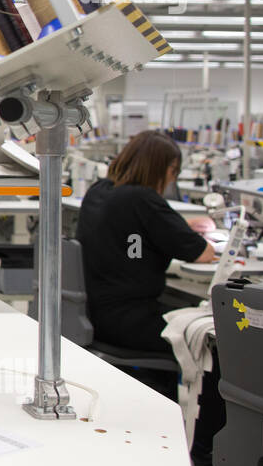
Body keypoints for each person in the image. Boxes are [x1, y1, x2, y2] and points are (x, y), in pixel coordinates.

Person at [75, 131, 216, 358]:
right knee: (213, 337)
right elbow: (203, 253)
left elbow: (134, 228)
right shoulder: (143, 199)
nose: (172, 180)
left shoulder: (98, 191)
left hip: (96, 316)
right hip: (131, 323)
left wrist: (183, 226)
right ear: (160, 169)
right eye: (172, 171)